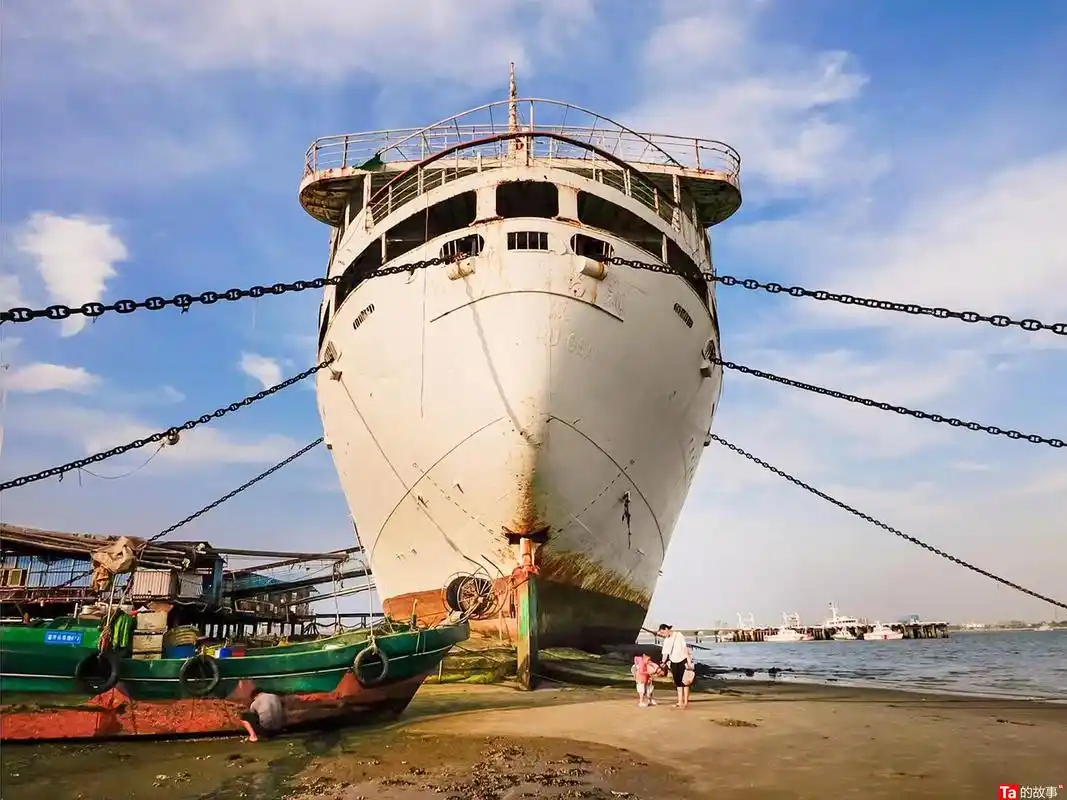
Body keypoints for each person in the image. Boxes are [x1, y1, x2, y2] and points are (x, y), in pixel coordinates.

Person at [657, 623, 693, 709]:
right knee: (678, 682)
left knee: (685, 682)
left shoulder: (678, 635)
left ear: (666, 629)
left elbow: (685, 648)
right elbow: (665, 653)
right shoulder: (666, 640)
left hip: (682, 660)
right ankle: (680, 702)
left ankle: (685, 703)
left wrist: (689, 662)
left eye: (663, 632)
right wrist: (663, 662)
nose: (663, 634)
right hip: (673, 661)